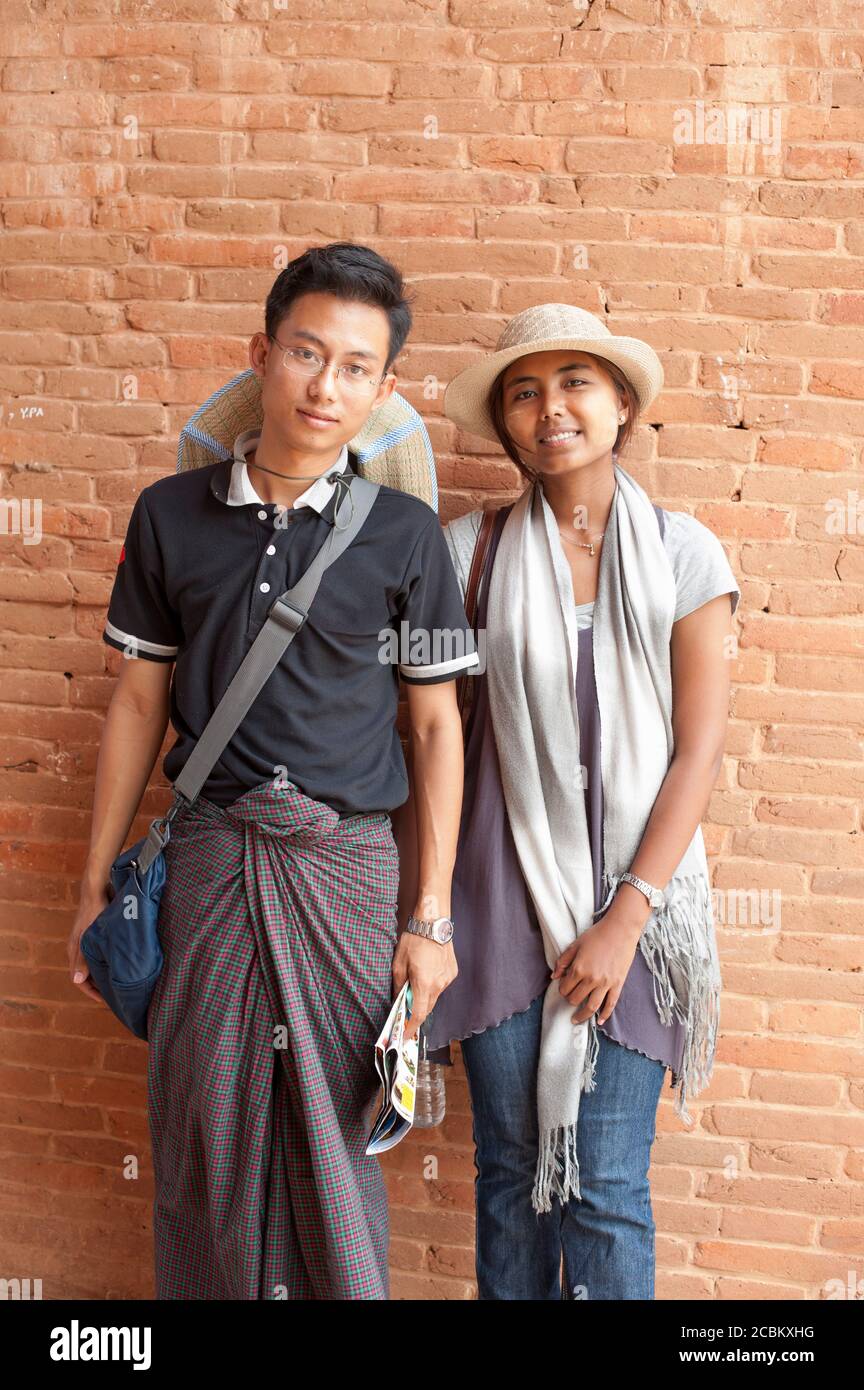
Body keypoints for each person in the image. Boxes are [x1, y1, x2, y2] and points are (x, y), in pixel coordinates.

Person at [67, 242, 478, 1300]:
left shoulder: (404, 534)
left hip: (344, 874)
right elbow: (137, 702)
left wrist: (429, 921)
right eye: (306, 352)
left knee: (334, 1143)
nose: (324, 385)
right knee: (203, 1129)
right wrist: (91, 882)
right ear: (263, 354)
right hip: (207, 859)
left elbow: (435, 730)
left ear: (384, 388)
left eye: (355, 366)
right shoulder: (170, 515)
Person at [396, 303, 741, 1300]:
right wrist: (427, 915)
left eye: (576, 382)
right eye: (525, 390)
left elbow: (698, 753)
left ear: (621, 402)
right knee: (509, 1181)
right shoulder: (465, 554)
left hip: (644, 911)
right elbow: (432, 743)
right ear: (507, 423)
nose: (552, 408)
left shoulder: (685, 556)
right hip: (498, 905)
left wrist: (626, 920)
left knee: (604, 1191)